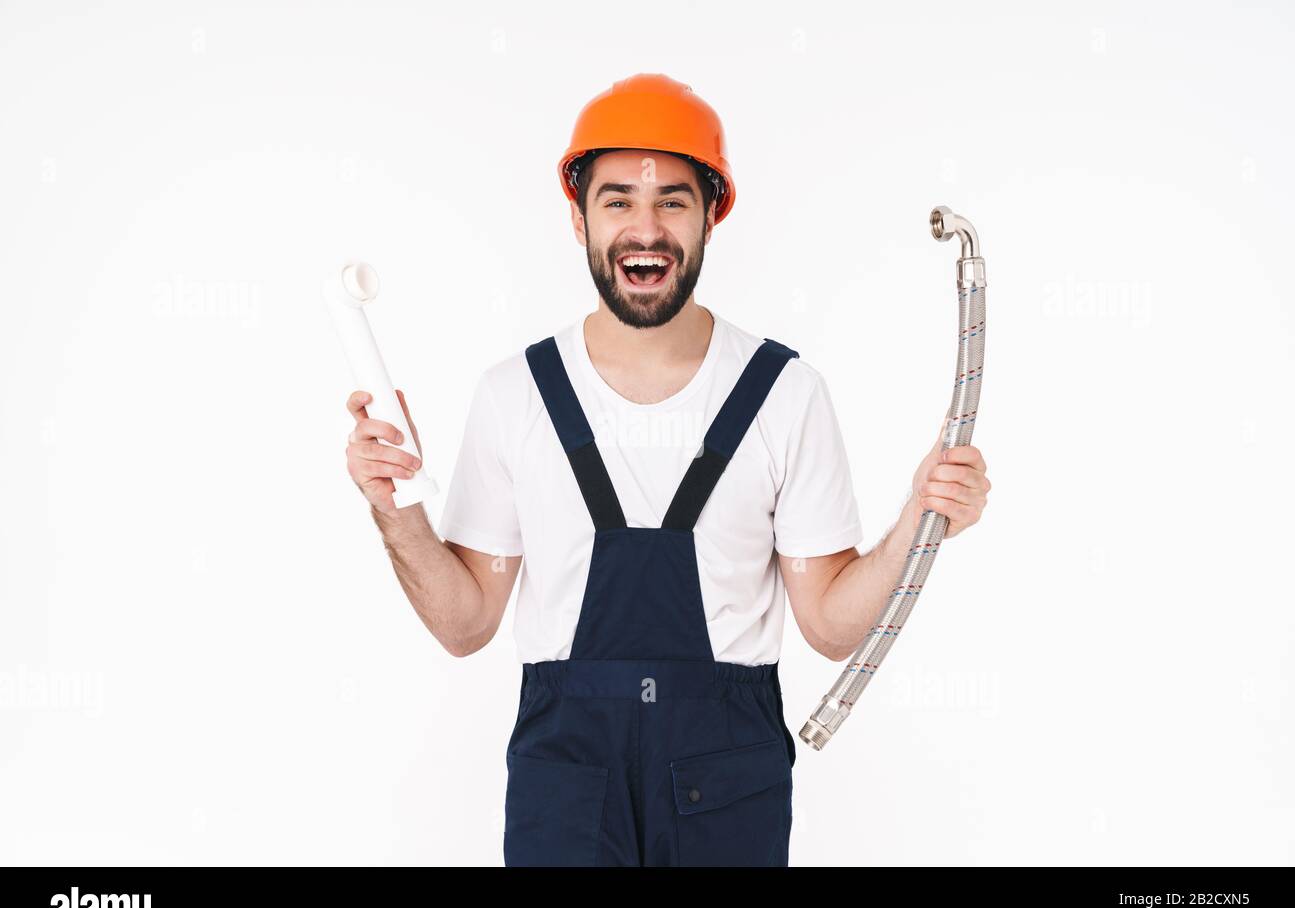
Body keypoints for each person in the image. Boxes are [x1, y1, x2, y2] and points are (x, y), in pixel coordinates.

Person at [342, 73, 990, 866]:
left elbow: (828, 623)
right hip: (567, 785)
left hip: (728, 783)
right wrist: (395, 509)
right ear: (577, 215)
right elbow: (464, 621)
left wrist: (918, 518)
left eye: (672, 202)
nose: (644, 230)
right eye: (617, 201)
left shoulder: (784, 395)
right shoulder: (515, 397)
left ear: (711, 215)